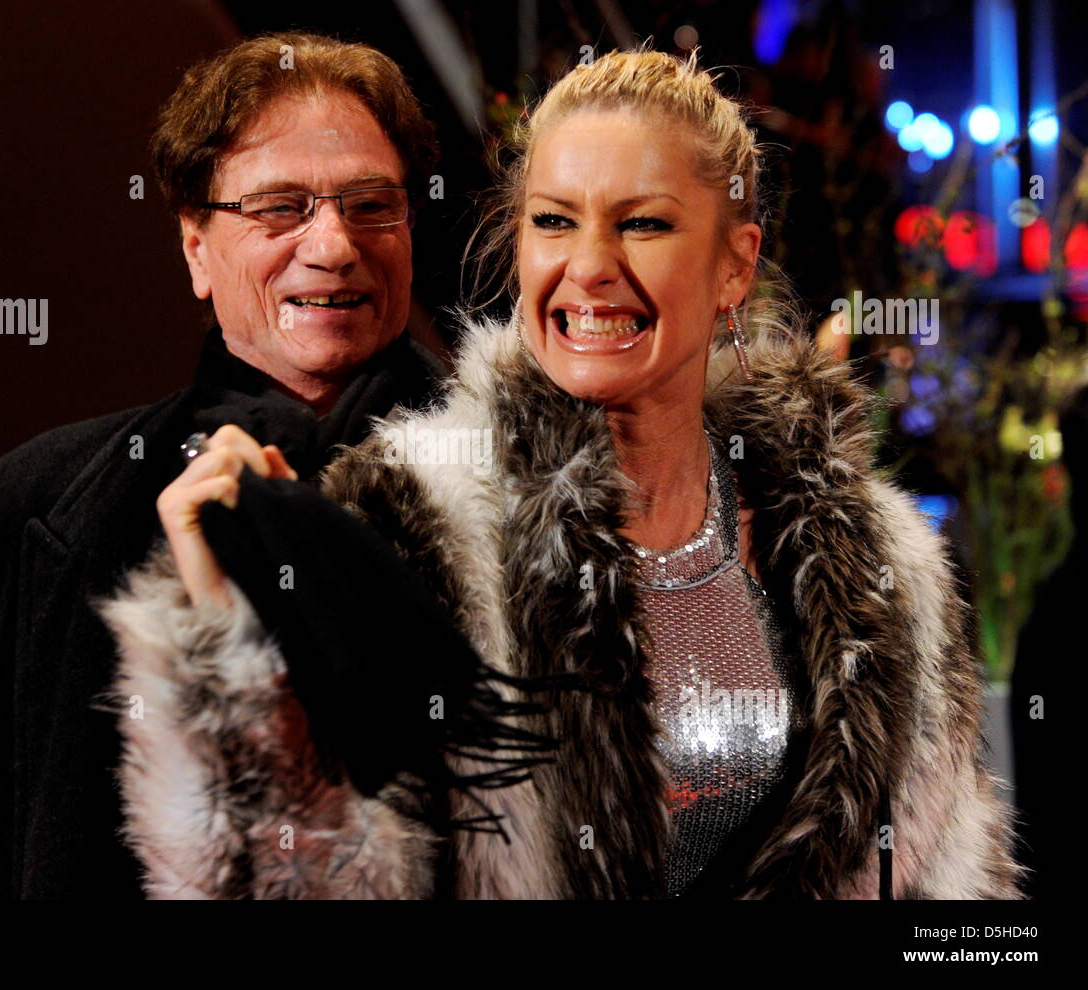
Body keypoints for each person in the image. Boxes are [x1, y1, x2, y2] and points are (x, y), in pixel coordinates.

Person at [100, 47, 1025, 899]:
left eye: (645, 223)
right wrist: (228, 654)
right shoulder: (409, 514)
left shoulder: (880, 562)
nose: (589, 268)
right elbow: (306, 881)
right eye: (553, 222)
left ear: (734, 265)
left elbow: (953, 890)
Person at [0, 32, 445, 899]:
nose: (333, 245)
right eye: (279, 207)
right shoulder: (26, 499)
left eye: (371, 203)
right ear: (195, 247)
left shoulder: (541, 489)